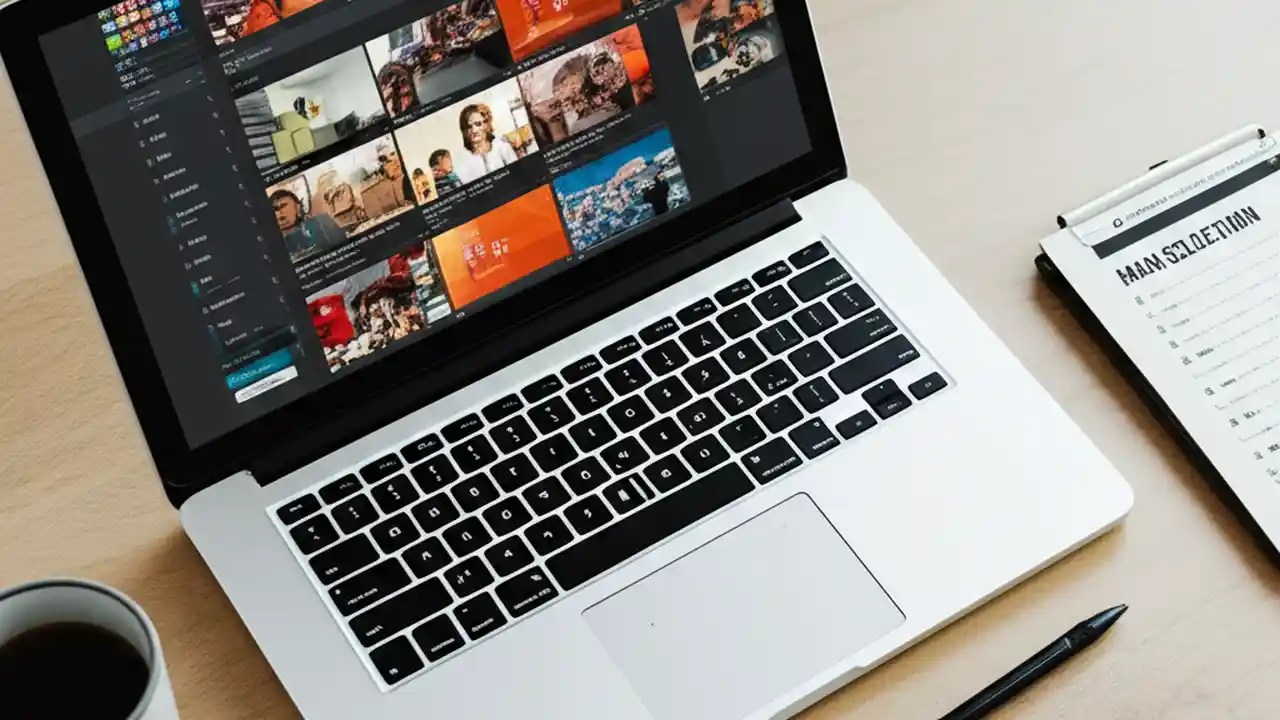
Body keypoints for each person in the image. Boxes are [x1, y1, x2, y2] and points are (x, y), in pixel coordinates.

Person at [271, 188, 347, 261]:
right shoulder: (273, 245)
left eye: (283, 206)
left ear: (298, 207)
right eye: (275, 209)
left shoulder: (322, 223)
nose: (279, 213)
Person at [453, 103, 518, 183]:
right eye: (469, 127)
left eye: (477, 124)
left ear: (486, 124)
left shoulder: (503, 147)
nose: (474, 130)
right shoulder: (462, 166)